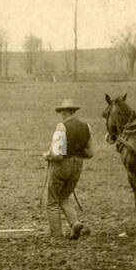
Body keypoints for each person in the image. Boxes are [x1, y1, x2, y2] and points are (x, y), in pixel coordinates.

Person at [44, 97, 93, 239]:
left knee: (52, 201)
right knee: (64, 196)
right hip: (78, 166)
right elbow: (90, 153)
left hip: (62, 166)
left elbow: (57, 154)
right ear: (74, 112)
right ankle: (75, 223)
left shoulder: (61, 127)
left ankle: (56, 235)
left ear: (65, 113)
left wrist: (48, 155)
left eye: (61, 112)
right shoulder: (87, 126)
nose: (61, 115)